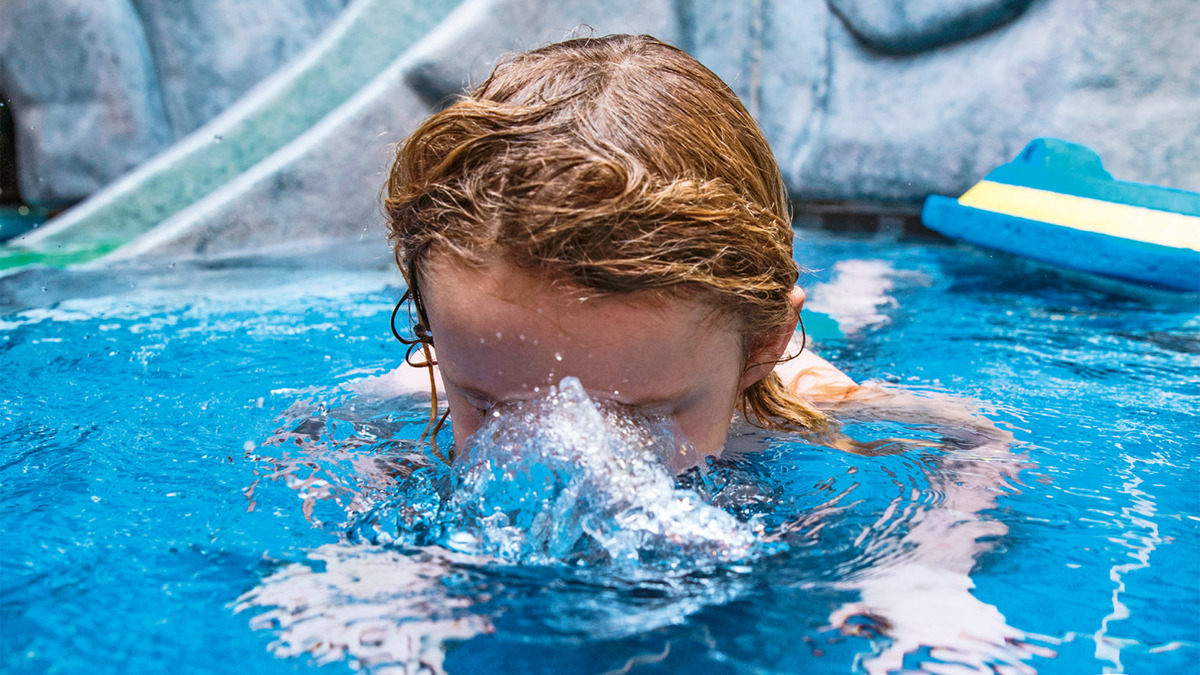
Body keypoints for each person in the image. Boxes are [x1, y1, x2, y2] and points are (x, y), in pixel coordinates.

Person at [382, 33, 864, 463]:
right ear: (432, 335)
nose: (561, 467)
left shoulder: (826, 403)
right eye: (487, 408)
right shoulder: (411, 388)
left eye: (642, 418)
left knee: (857, 310)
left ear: (763, 347)